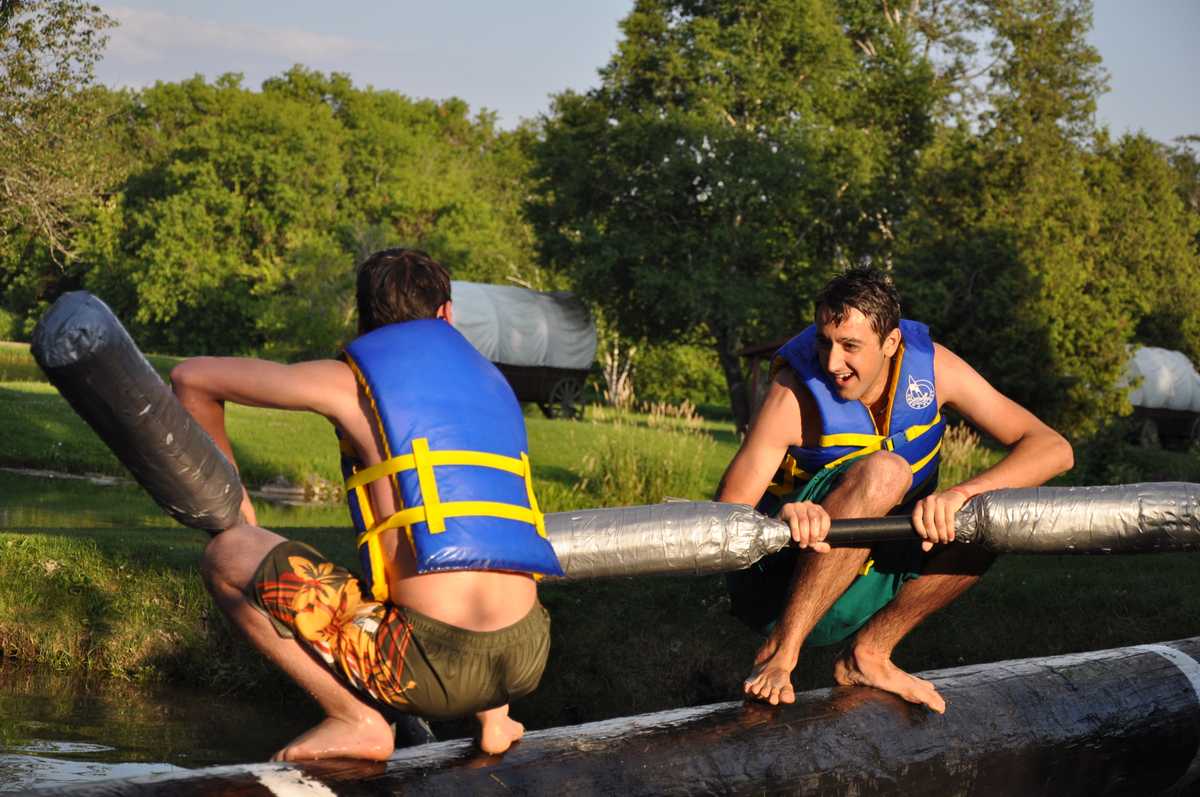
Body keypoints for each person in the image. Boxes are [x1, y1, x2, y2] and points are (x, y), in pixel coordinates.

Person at [171, 248, 561, 762]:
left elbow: (191, 378)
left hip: (424, 666)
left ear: (366, 316)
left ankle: (356, 722)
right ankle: (496, 719)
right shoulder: (492, 384)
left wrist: (239, 515)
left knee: (226, 558)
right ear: (447, 315)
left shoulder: (352, 382)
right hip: (529, 652)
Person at [718, 266, 1073, 713]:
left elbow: (1053, 448)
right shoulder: (793, 395)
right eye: (824, 342)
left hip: (870, 572)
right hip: (784, 582)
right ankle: (781, 654)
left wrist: (959, 496)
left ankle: (868, 654)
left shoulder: (936, 368)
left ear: (891, 343)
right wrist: (784, 517)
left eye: (850, 346)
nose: (832, 363)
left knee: (992, 514)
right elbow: (725, 515)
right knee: (888, 470)